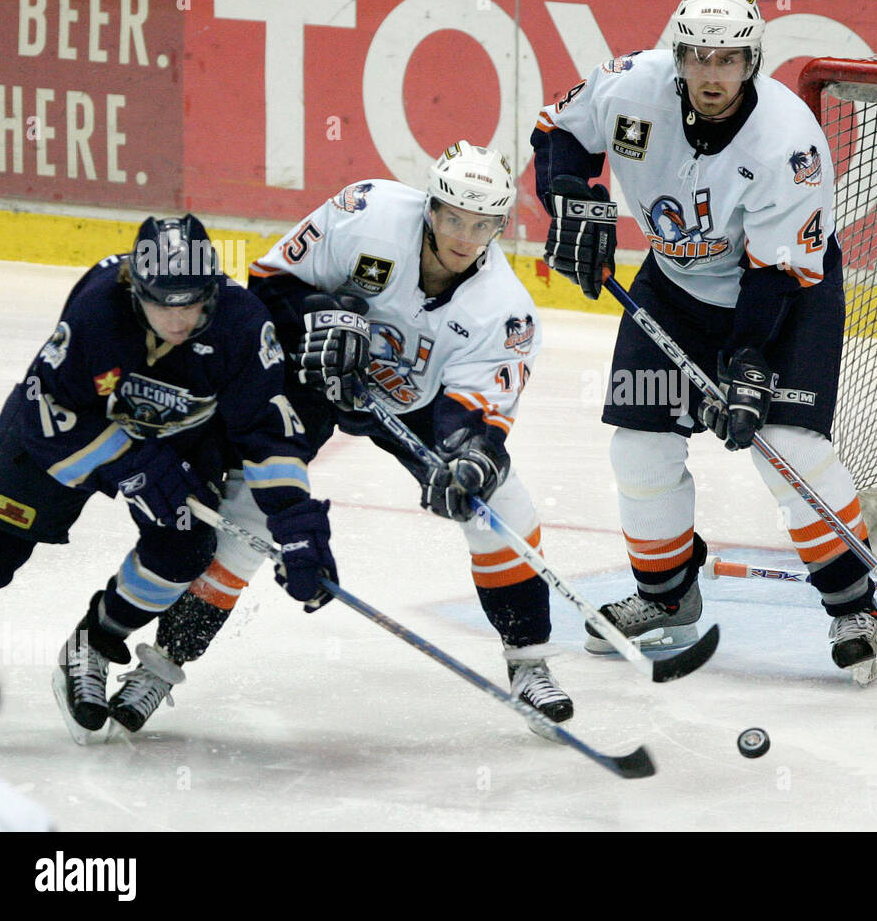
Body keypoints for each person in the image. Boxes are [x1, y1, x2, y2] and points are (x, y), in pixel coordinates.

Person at [113, 142, 573, 731]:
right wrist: (319, 313)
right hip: (316, 377)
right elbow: (266, 287)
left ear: (500, 226)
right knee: (253, 508)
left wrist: (469, 461)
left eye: (481, 225)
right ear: (430, 207)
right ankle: (161, 665)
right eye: (453, 217)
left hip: (417, 403)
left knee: (497, 503)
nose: (463, 236)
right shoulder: (366, 211)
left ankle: (529, 662)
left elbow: (474, 420)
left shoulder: (505, 310)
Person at [530, 0, 877, 685]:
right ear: (679, 55)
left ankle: (855, 605)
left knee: (785, 448)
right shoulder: (632, 86)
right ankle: (667, 593)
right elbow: (560, 130)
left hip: (786, 297)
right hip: (675, 287)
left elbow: (777, 275)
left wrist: (747, 363)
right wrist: (568, 196)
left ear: (751, 61)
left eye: (728, 60)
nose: (712, 74)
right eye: (698, 57)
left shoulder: (788, 145)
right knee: (639, 448)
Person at [0, 215, 337, 743]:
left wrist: (294, 519)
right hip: (68, 434)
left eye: (191, 302)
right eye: (161, 303)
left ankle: (95, 642)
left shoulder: (243, 326)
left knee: (184, 550)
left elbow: (265, 434)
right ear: (134, 287)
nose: (176, 319)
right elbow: (46, 410)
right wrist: (134, 466)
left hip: (178, 443)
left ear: (213, 288)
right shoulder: (98, 306)